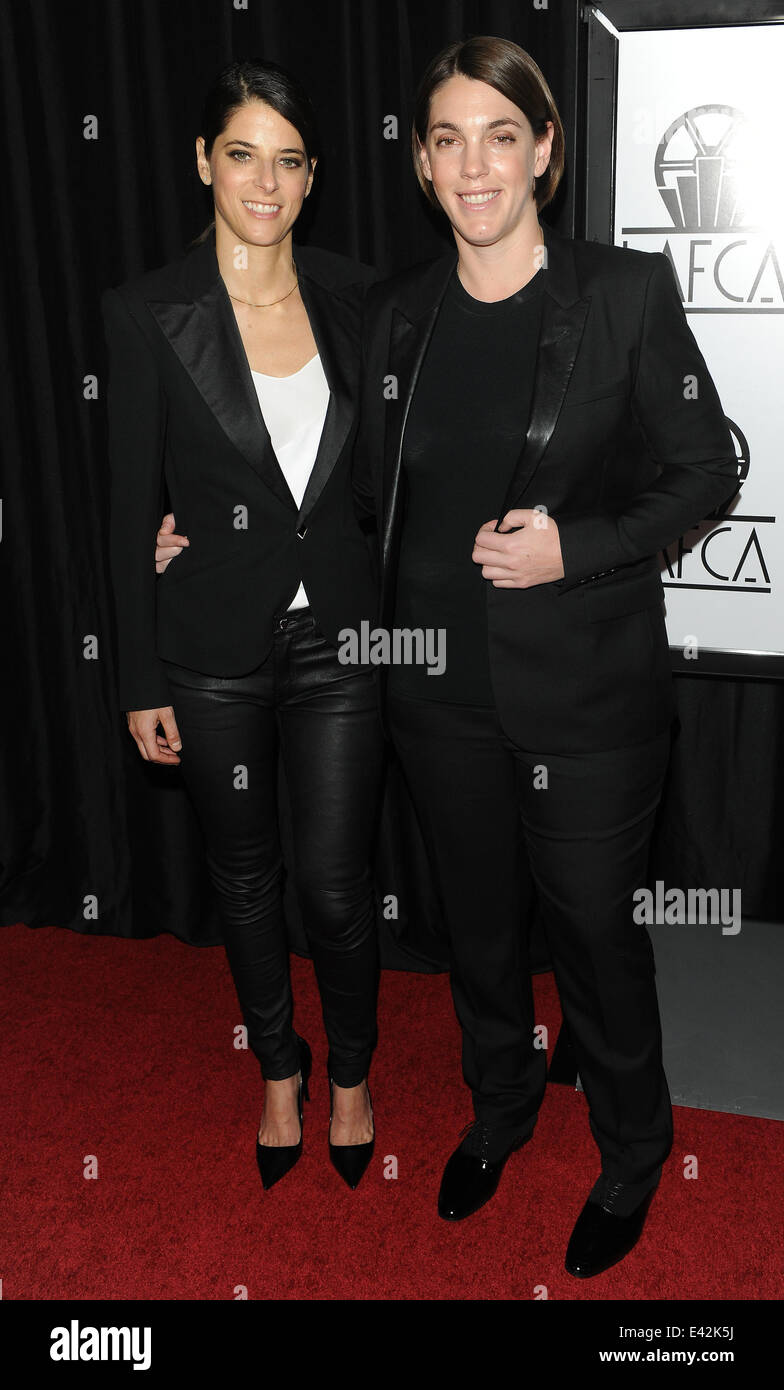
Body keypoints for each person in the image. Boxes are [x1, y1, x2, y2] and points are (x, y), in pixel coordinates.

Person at [352, 36, 738, 1277]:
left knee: (594, 937)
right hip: (438, 695)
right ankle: (501, 1107)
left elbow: (707, 468)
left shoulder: (621, 295)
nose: (474, 164)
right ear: (423, 164)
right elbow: (358, 497)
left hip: (587, 696)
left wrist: (577, 548)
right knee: (476, 931)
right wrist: (200, 530)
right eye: (447, 139)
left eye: (500, 135)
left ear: (545, 153)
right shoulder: (395, 315)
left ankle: (633, 1151)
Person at [102, 59, 383, 1193]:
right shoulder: (146, 312)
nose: (264, 181)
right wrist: (136, 675)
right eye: (241, 154)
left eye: (288, 160)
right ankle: (279, 1066)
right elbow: (126, 507)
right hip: (211, 645)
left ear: (312, 178)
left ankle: (352, 1069)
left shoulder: (362, 297)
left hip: (343, 642)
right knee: (247, 875)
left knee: (336, 882)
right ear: (203, 164)